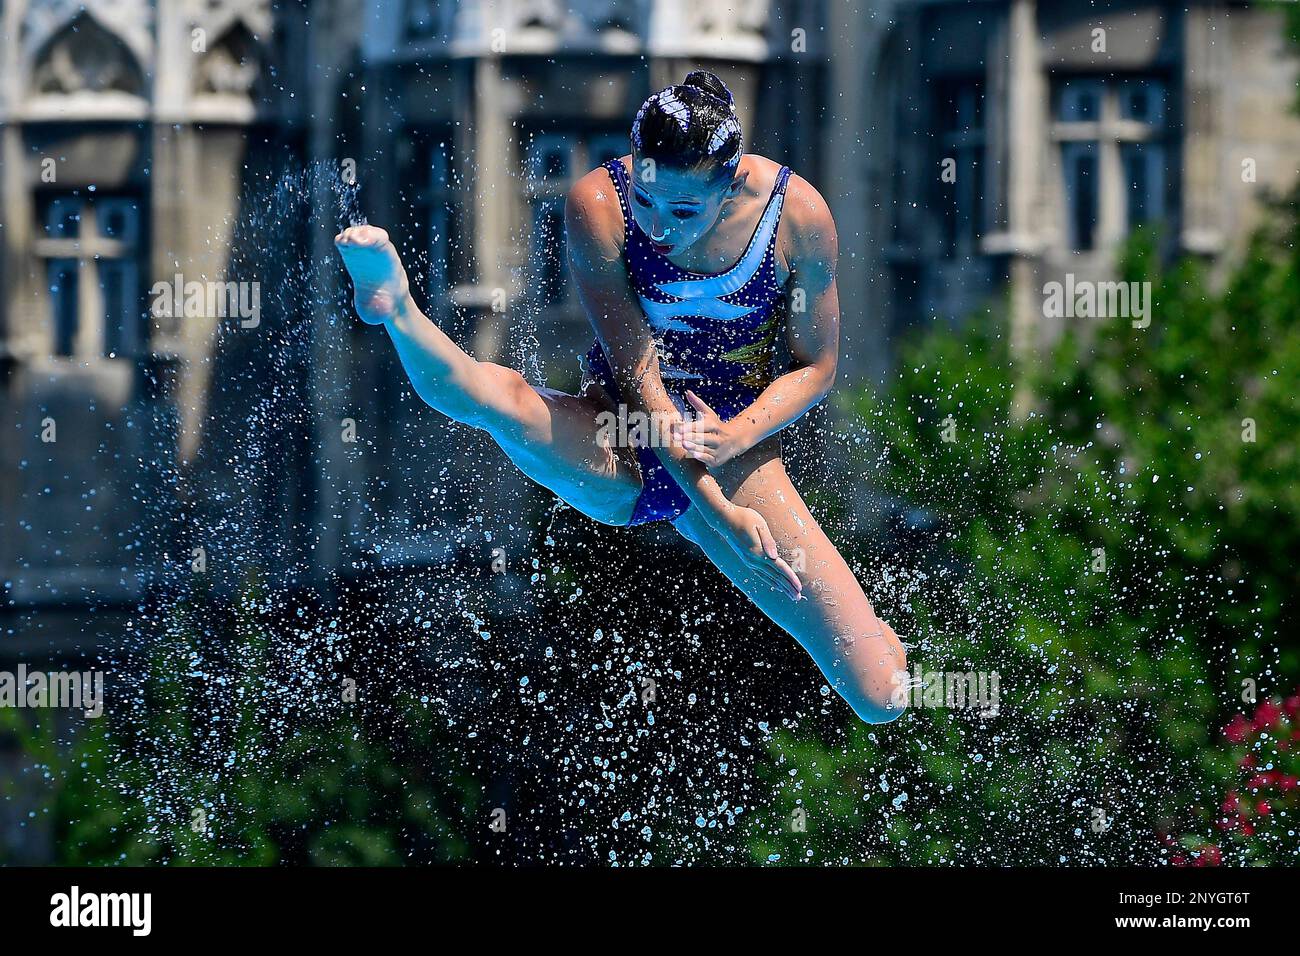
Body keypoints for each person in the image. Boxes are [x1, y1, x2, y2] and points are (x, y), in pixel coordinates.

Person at [335, 70, 907, 723]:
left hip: (734, 451)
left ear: (732, 184)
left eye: (685, 211)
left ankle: (879, 638)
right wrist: (718, 515)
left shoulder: (796, 218)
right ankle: (394, 307)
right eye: (648, 201)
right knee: (506, 403)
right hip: (624, 430)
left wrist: (737, 436)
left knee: (880, 697)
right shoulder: (597, 205)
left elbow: (817, 367)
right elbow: (642, 382)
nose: (659, 227)